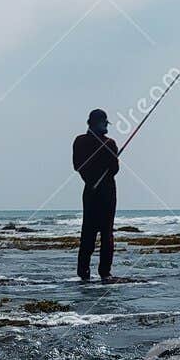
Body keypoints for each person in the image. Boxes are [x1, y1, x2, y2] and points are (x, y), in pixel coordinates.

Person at [72, 109, 120, 282]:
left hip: (90, 190)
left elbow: (77, 166)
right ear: (95, 123)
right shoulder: (109, 143)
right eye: (104, 122)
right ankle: (104, 272)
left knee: (89, 232)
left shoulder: (79, 141)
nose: (106, 125)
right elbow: (114, 169)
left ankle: (83, 272)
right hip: (105, 192)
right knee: (105, 233)